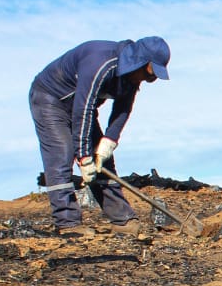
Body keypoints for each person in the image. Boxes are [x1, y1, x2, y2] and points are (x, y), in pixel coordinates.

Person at [30, 37, 171, 237]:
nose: (152, 80)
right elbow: (84, 108)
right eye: (150, 74)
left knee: (103, 161)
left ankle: (122, 220)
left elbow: (122, 109)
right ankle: (67, 223)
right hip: (51, 100)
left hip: (80, 108)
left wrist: (109, 141)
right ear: (140, 61)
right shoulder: (102, 64)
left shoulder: (130, 77)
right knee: (62, 153)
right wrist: (83, 156)